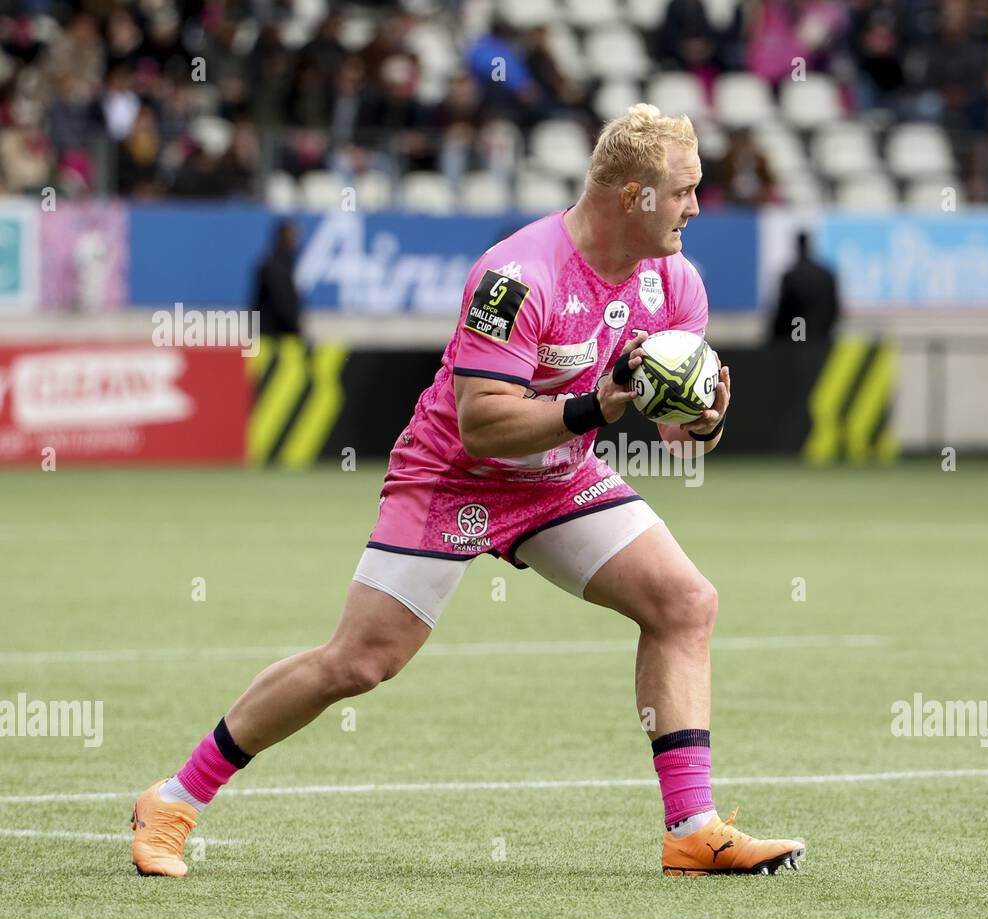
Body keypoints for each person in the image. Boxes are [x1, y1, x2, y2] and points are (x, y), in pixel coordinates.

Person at [131, 104, 806, 878]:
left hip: (557, 477)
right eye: (683, 191)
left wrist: (709, 418)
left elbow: (681, 436)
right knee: (360, 661)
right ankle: (175, 798)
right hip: (452, 476)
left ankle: (692, 827)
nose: (695, 206)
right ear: (631, 195)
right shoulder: (519, 276)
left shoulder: (674, 284)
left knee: (686, 601)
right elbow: (483, 425)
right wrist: (597, 406)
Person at [770, 231, 838, 344]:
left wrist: (776, 338)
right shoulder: (825, 274)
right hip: (821, 337)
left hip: (798, 340)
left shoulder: (792, 276)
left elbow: (784, 313)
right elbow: (833, 309)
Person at [252, 220, 302, 341]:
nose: (295, 241)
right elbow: (282, 304)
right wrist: (296, 330)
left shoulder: (287, 265)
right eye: (292, 237)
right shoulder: (274, 267)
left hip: (276, 335)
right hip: (274, 337)